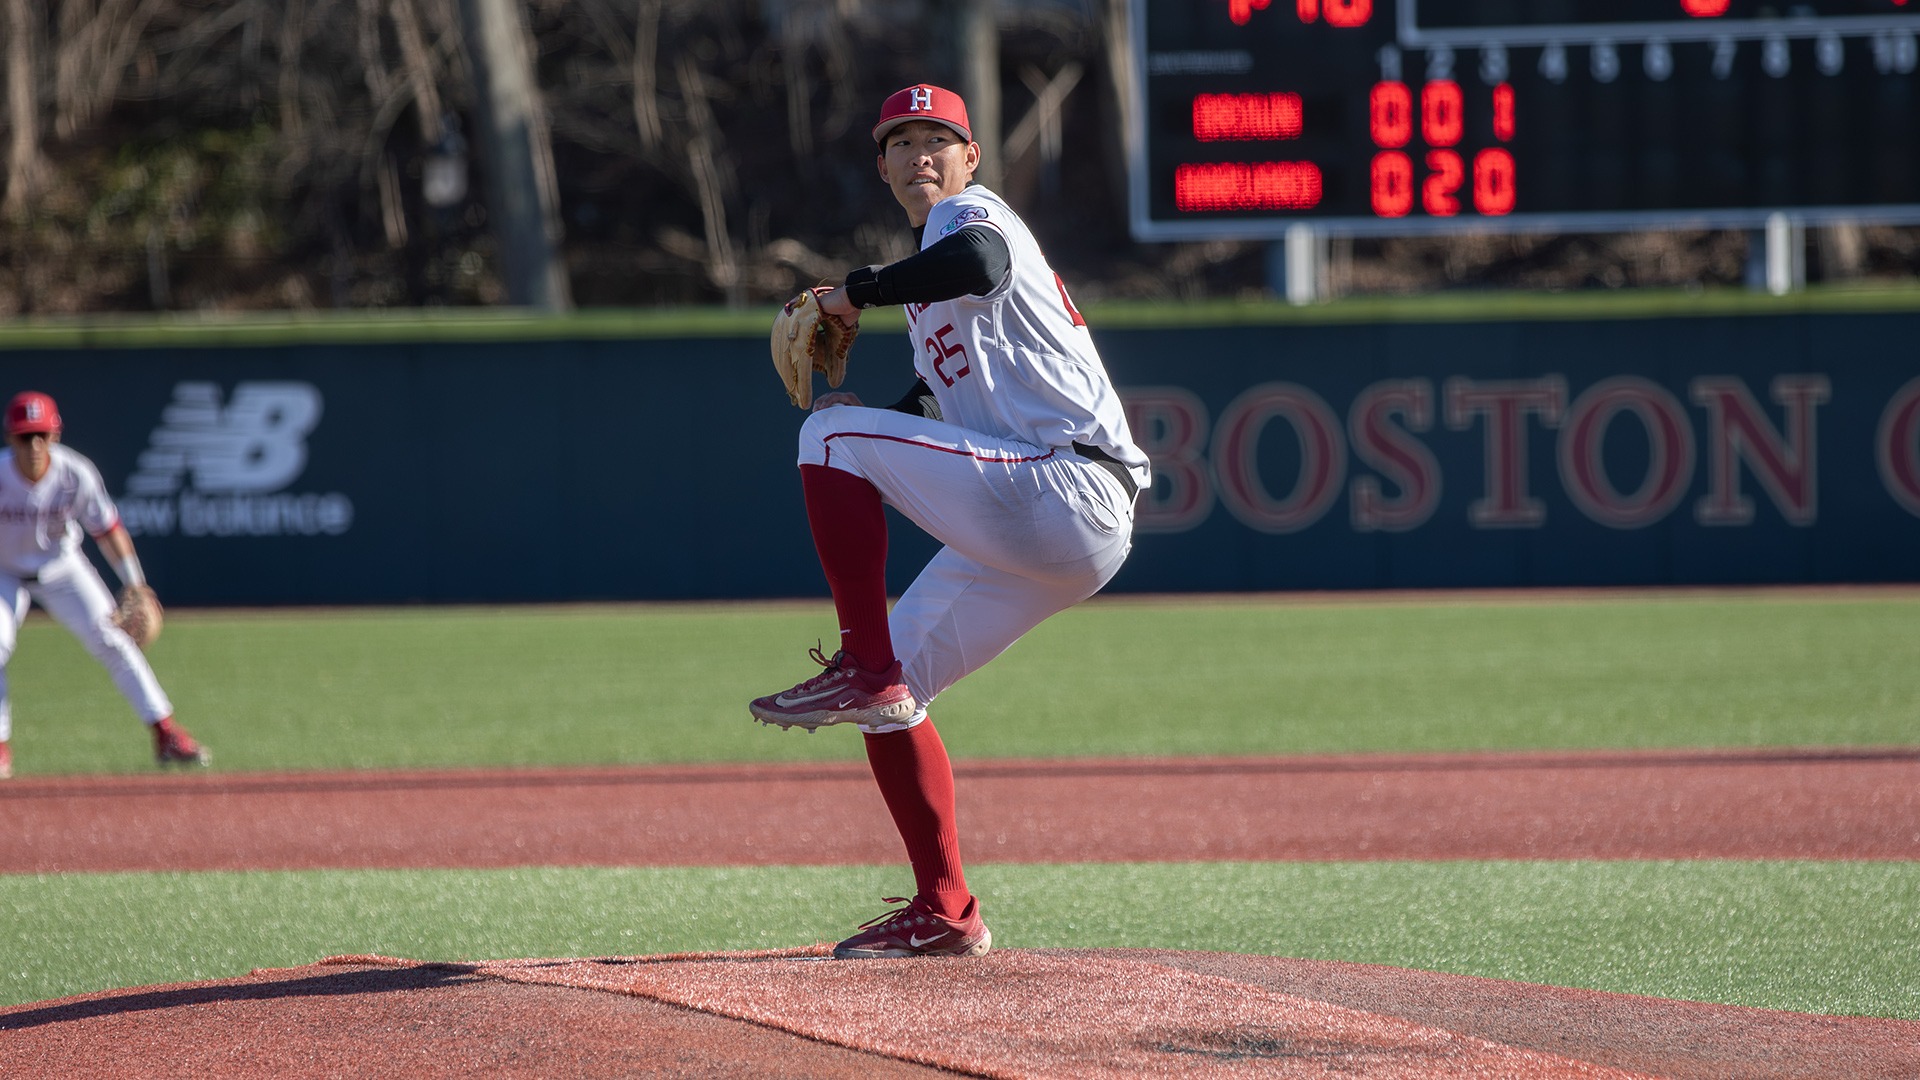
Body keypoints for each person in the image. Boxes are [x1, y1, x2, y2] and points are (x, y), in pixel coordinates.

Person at [749, 84, 1149, 959]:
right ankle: (946, 908)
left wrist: (856, 293)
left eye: (940, 138)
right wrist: (880, 415)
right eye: (902, 141)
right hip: (1043, 520)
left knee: (825, 435)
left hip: (1066, 483)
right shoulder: (931, 295)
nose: (921, 154)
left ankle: (859, 657)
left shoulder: (971, 218)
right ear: (883, 165)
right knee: (896, 698)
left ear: (970, 159)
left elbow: (981, 264)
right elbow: (936, 406)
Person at [0, 391, 208, 779]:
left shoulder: (74, 473)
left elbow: (108, 530)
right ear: (9, 438)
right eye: (25, 437)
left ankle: (166, 733)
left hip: (61, 566)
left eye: (41, 435)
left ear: (55, 435)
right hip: (4, 571)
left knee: (113, 639)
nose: (34, 445)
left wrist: (136, 585)